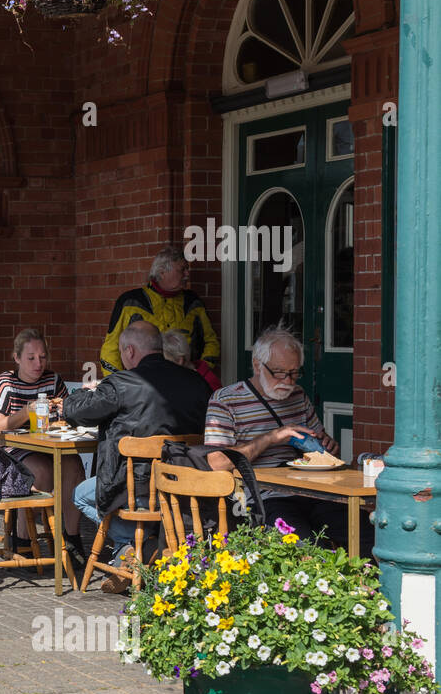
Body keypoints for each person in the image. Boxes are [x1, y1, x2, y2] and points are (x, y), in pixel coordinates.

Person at [64, 320, 212, 590]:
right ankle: (138, 550)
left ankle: (135, 549)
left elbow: (76, 411)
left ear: (129, 351)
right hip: (184, 487)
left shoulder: (122, 383)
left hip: (135, 488)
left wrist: (81, 394)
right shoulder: (197, 383)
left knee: (79, 495)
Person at [203, 325, 347, 547]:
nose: (289, 381)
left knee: (363, 533)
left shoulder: (299, 395)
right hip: (263, 498)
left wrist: (327, 446)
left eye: (295, 372)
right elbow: (216, 462)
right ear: (257, 366)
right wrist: (272, 438)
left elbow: (320, 442)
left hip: (312, 492)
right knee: (305, 547)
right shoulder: (225, 401)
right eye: (280, 372)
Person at [0, 328, 84, 562]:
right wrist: (25, 413)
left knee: (73, 464)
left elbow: (66, 413)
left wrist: (65, 412)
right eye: (31, 358)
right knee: (41, 471)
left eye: (42, 357)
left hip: (49, 445)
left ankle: (71, 538)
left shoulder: (53, 380)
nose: (38, 363)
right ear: (17, 358)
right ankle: (23, 539)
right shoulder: (5, 382)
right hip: (10, 452)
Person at [100, 246, 220, 378]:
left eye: (187, 269)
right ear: (162, 272)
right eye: (182, 270)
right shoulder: (130, 302)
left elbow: (211, 342)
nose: (187, 274)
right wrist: (119, 384)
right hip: (144, 385)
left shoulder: (193, 302)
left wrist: (201, 371)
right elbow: (110, 348)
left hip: (184, 383)